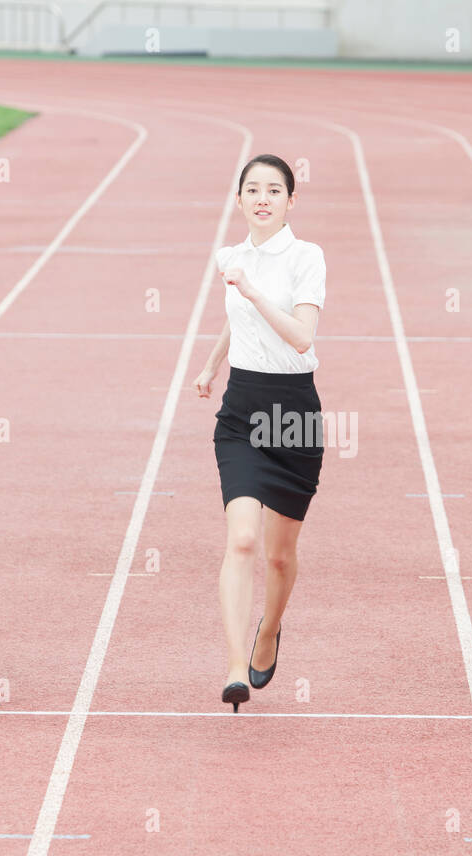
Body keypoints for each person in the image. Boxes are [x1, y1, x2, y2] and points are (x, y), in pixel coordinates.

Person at [192, 153, 327, 713]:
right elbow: (235, 314)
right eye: (253, 189)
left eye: (275, 189)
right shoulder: (233, 257)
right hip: (243, 410)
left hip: (293, 412)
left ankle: (269, 628)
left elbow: (300, 336)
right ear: (240, 199)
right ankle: (231, 666)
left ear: (291, 201)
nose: (264, 198)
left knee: (278, 554)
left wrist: (250, 290)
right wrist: (211, 364)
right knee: (242, 539)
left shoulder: (307, 256)